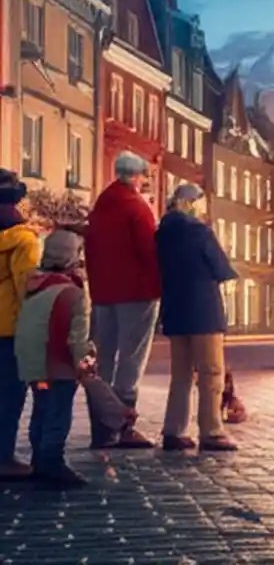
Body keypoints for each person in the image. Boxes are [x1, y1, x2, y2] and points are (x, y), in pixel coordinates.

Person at [85, 151, 161, 449]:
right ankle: (123, 423)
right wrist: (160, 284)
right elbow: (149, 251)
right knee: (132, 358)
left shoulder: (101, 205)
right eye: (144, 177)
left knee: (104, 357)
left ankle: (101, 427)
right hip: (136, 292)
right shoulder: (136, 207)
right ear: (137, 175)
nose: (145, 183)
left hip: (104, 293)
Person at [157, 184, 238, 452]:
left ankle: (174, 430)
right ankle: (212, 430)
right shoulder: (199, 231)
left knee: (180, 374)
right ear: (192, 203)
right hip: (203, 309)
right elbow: (221, 268)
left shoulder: (162, 233)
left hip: (175, 308)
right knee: (210, 371)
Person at [14, 230, 93, 488]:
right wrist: (85, 362)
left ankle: (39, 458)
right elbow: (76, 339)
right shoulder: (74, 294)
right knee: (58, 413)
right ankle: (52, 462)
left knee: (41, 407)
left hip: (33, 367)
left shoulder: (34, 288)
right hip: (58, 367)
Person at [0, 171, 40, 480]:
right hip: (9, 331)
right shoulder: (22, 240)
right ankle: (4, 457)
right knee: (9, 396)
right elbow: (27, 289)